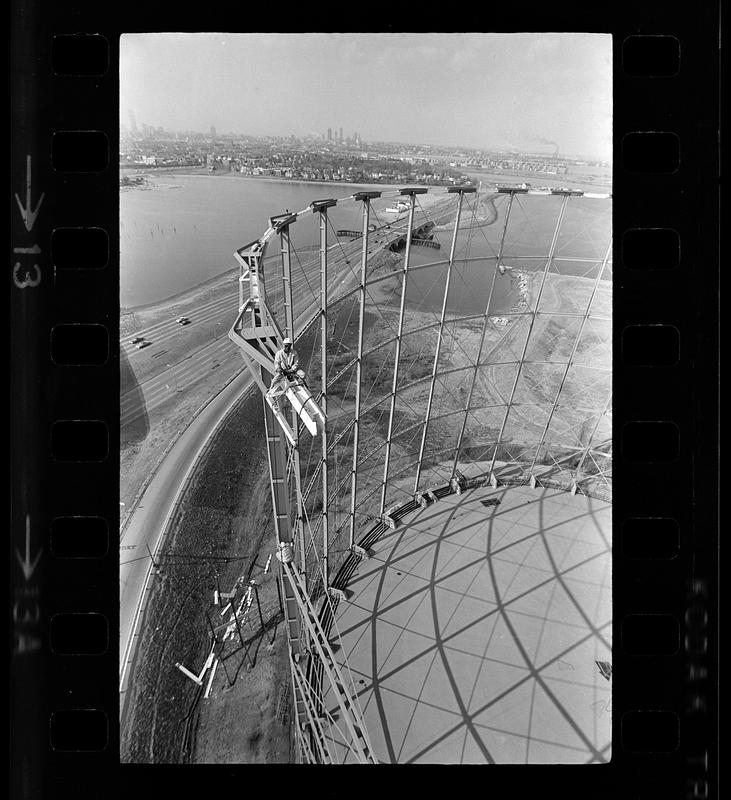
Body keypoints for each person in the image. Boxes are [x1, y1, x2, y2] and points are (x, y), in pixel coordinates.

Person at [267, 337, 300, 412]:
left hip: (291, 371)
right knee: (274, 381)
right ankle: (270, 390)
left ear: (290, 345)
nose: (287, 347)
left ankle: (298, 386)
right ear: (283, 345)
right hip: (282, 371)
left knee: (302, 375)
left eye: (288, 345)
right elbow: (277, 363)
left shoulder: (294, 353)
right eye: (285, 345)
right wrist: (278, 369)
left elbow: (296, 363)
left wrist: (291, 370)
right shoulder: (279, 354)